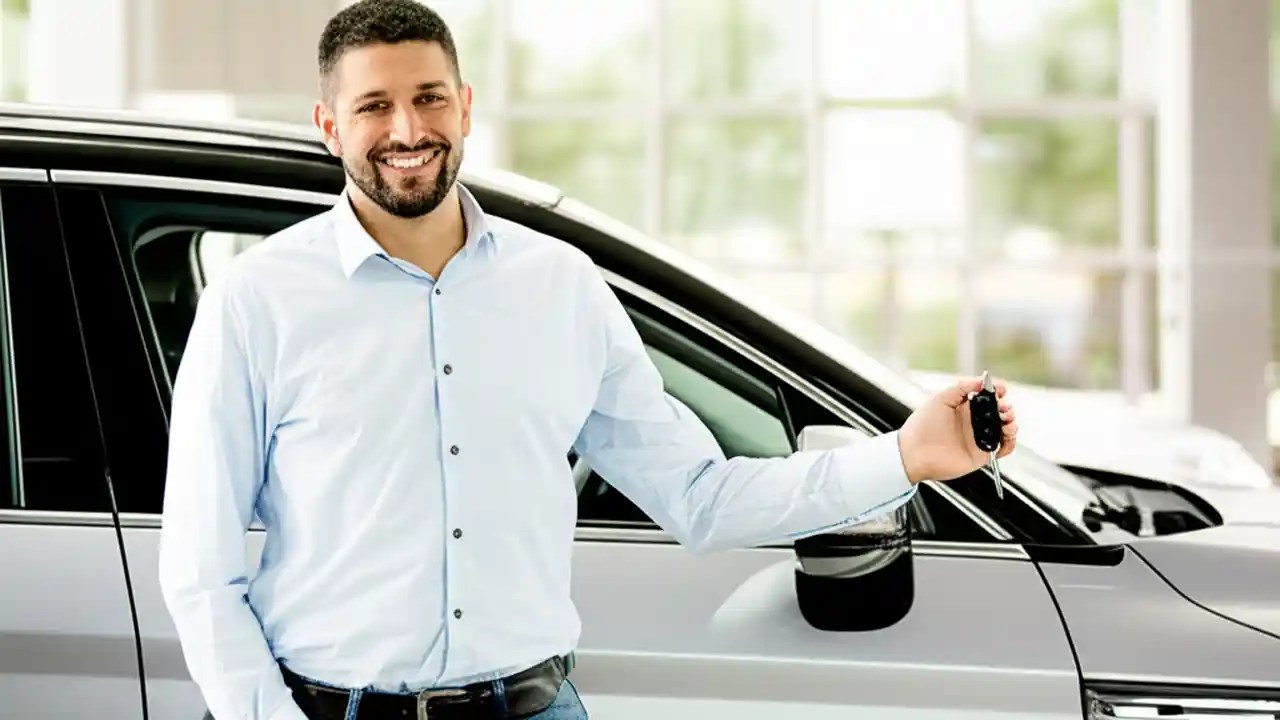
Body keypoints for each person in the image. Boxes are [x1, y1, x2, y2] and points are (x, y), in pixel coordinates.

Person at [158, 1, 1019, 718]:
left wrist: (904, 455)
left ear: (464, 105)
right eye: (374, 106)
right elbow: (200, 569)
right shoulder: (257, 302)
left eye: (427, 99)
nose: (407, 129)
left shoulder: (560, 287)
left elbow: (700, 498)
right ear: (327, 124)